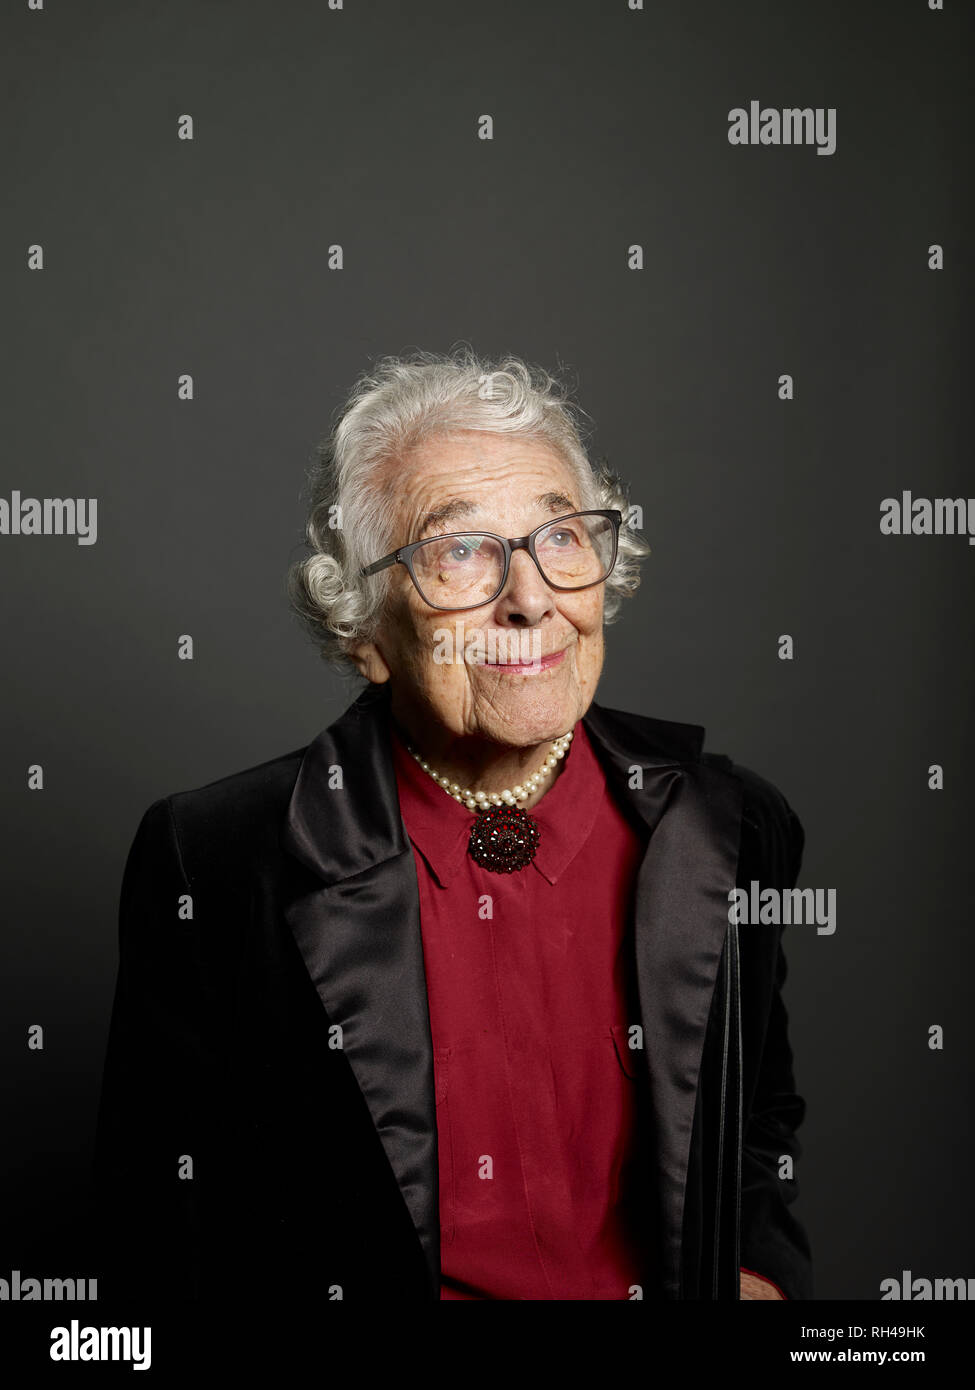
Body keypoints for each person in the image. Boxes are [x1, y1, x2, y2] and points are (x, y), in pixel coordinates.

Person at [92, 349, 812, 1302]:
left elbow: (753, 1121)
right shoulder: (218, 860)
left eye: (560, 535)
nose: (528, 599)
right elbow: (163, 1223)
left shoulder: (727, 824)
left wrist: (758, 1280)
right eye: (460, 551)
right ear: (363, 629)